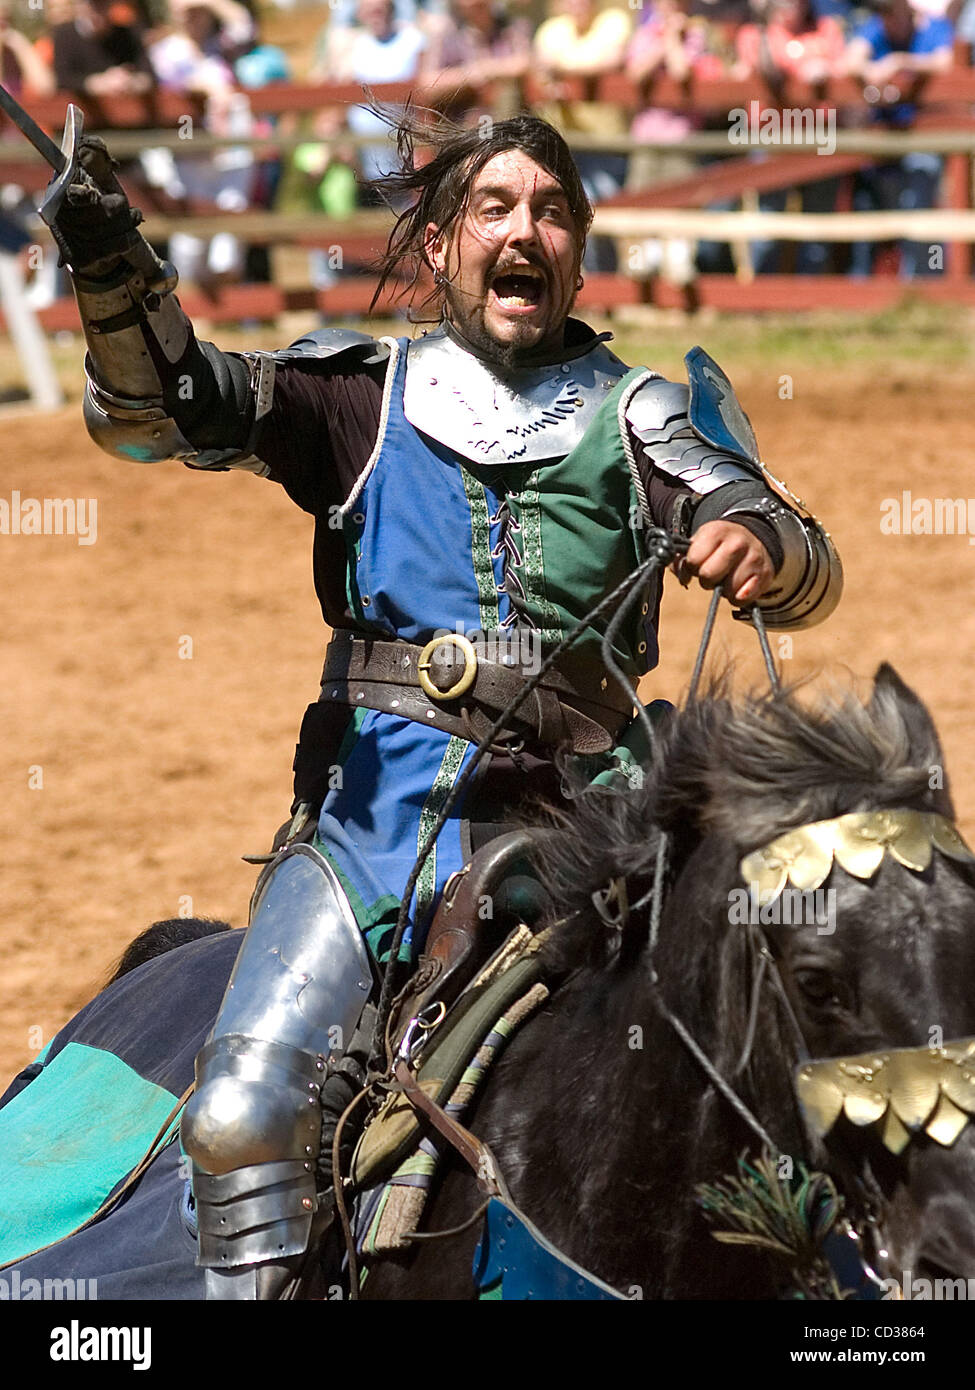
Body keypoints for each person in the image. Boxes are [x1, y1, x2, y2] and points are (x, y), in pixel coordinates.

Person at [44, 110, 842, 1298]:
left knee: (791, 1073)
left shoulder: (641, 417)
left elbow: (796, 550)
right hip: (374, 843)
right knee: (244, 1117)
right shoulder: (357, 400)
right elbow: (174, 409)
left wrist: (752, 544)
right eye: (494, 208)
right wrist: (115, 269)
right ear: (438, 251)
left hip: (601, 831)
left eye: (554, 210)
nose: (527, 230)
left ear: (579, 249)